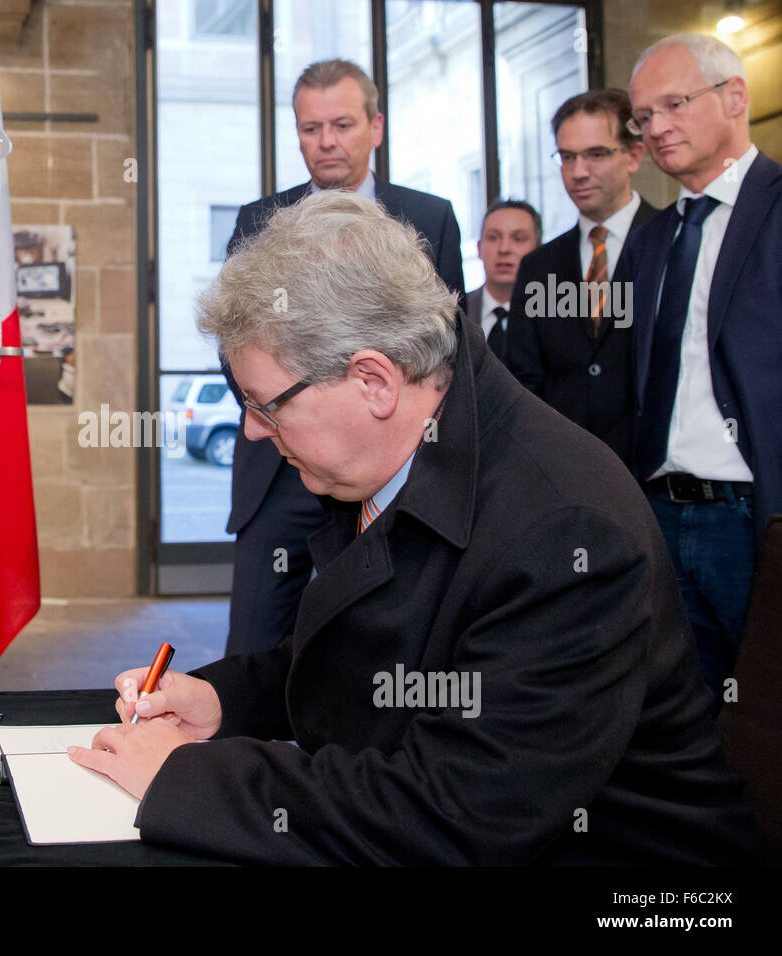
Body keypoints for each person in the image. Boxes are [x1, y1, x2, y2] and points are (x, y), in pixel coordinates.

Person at [68, 189, 758, 866]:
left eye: (266, 404)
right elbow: (370, 658)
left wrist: (183, 779)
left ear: (373, 381)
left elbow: (455, 817)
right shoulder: (392, 450)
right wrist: (226, 699)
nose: (252, 430)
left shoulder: (566, 532)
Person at [223, 58, 464, 658]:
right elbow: (236, 343)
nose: (326, 141)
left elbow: (446, 346)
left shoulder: (430, 217)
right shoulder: (259, 221)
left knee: (386, 641)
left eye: (342, 124)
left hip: (392, 466)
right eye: (310, 128)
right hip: (279, 469)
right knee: (254, 642)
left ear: (375, 127)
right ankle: (239, 753)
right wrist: (285, 422)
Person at [623, 34, 781, 707]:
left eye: (674, 105)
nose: (657, 127)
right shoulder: (656, 238)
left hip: (754, 520)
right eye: (643, 116)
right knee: (685, 722)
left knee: (768, 723)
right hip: (660, 515)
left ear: (735, 97)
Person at [506, 89, 659, 465]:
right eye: (568, 157)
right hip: (564, 473)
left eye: (596, 154)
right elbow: (522, 382)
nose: (578, 172)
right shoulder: (539, 267)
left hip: (655, 477)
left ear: (634, 155)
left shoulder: (669, 243)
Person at [467, 200, 540, 365]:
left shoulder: (552, 313)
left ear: (540, 250)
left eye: (518, 239)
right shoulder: (455, 312)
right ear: (479, 248)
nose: (504, 249)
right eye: (493, 238)